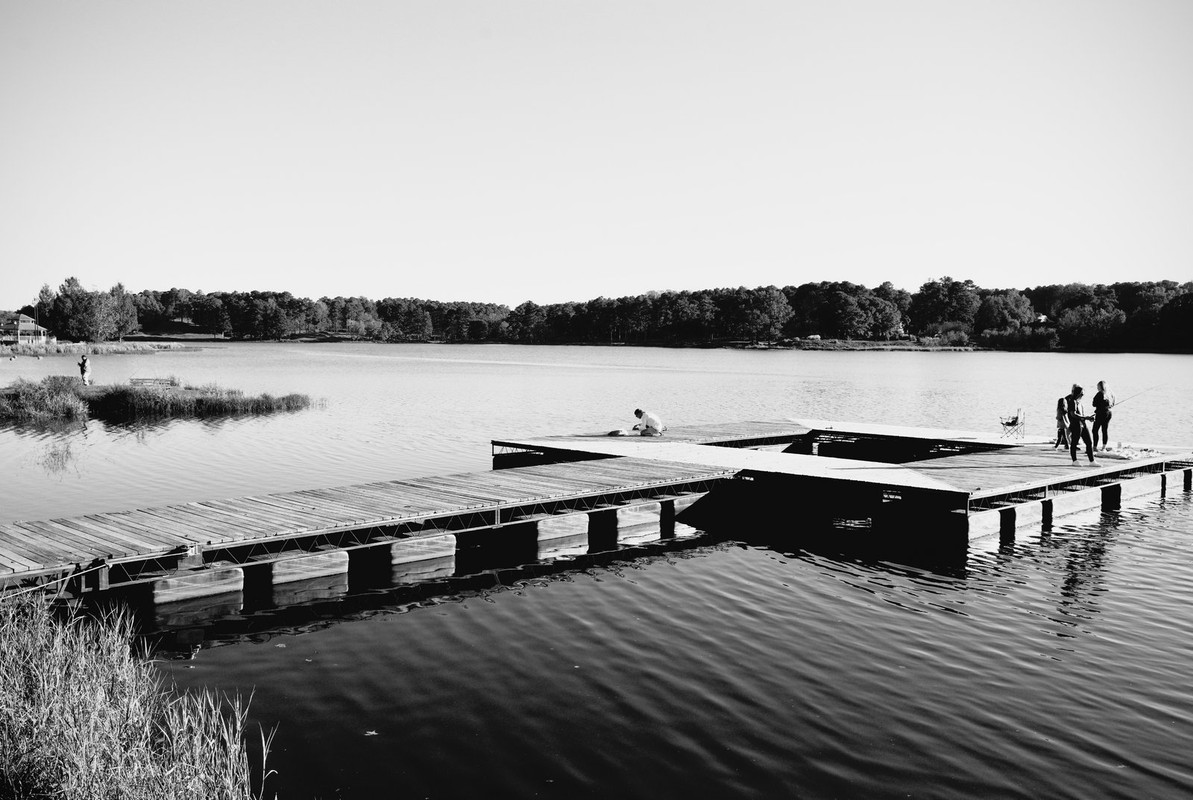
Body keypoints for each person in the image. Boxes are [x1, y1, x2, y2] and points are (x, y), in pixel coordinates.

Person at [1064, 384, 1095, 464]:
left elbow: (1080, 414)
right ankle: (1074, 460)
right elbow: (1073, 414)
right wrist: (1086, 418)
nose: (1082, 395)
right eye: (1082, 394)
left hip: (1082, 424)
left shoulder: (1079, 402)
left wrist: (1087, 418)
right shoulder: (1072, 401)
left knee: (1089, 442)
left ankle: (1092, 461)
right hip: (1076, 425)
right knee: (1074, 442)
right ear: (1078, 393)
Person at [1091, 380, 1114, 451]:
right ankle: (1104, 447)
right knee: (1104, 430)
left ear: (1100, 386)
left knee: (1095, 430)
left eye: (1097, 386)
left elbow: (1094, 404)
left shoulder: (1100, 393)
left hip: (1101, 413)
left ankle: (1094, 447)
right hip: (1109, 413)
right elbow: (1112, 404)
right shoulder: (1110, 394)